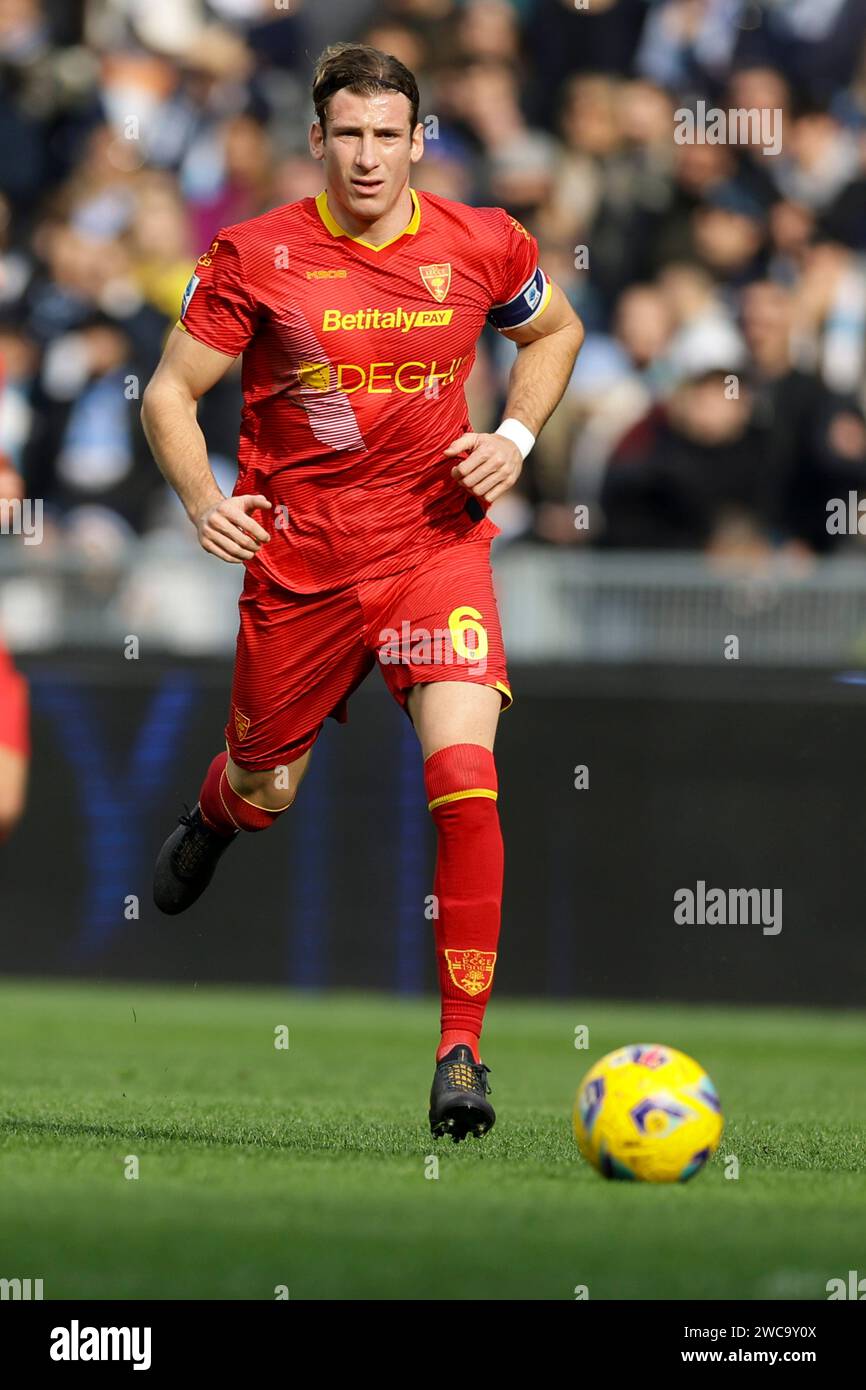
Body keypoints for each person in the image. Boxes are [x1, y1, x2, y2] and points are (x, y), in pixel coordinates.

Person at [141, 43, 583, 1142]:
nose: (370, 156)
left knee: (464, 775)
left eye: (389, 134)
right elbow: (167, 393)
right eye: (349, 134)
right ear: (316, 141)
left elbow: (555, 329)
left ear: (419, 140)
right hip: (300, 565)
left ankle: (460, 1052)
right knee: (267, 783)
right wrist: (205, 500)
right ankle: (218, 811)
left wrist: (515, 437)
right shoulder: (254, 253)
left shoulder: (483, 242)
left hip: (435, 546)